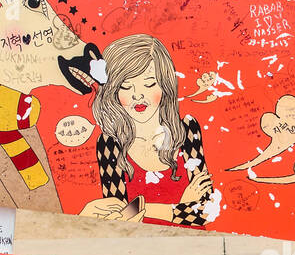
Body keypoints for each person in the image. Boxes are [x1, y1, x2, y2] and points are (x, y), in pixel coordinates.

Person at [79, 34, 217, 227]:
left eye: (149, 83)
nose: (137, 95)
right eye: (126, 86)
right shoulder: (110, 144)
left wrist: (142, 208)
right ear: (113, 92)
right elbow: (118, 219)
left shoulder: (186, 130)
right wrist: (180, 205)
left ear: (165, 85)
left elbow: (205, 213)